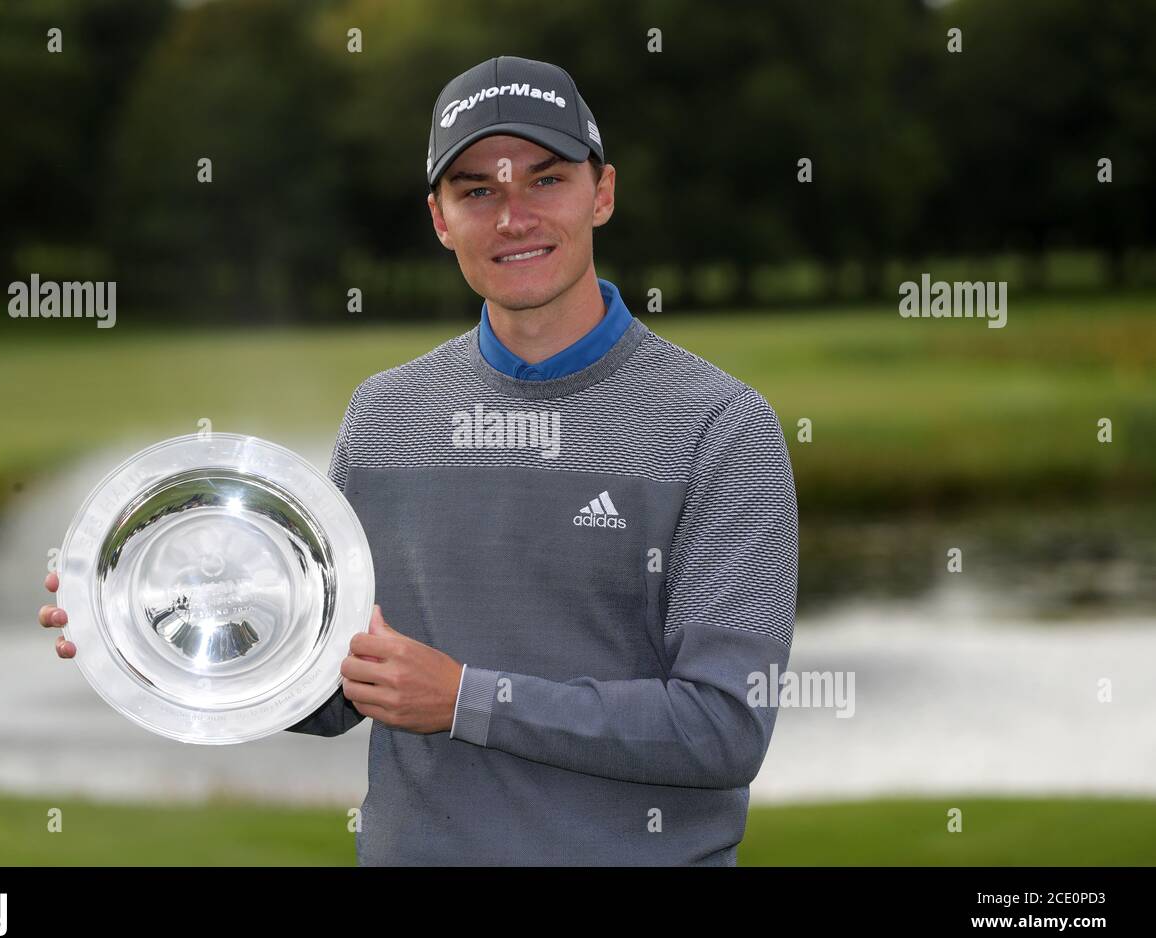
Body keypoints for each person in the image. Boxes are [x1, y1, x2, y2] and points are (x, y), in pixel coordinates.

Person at [40, 55, 799, 866]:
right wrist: (152, 632)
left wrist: (467, 700)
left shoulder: (720, 426)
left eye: (545, 180)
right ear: (440, 218)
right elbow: (337, 683)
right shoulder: (388, 415)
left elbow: (724, 727)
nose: (514, 217)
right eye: (478, 191)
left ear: (601, 193)